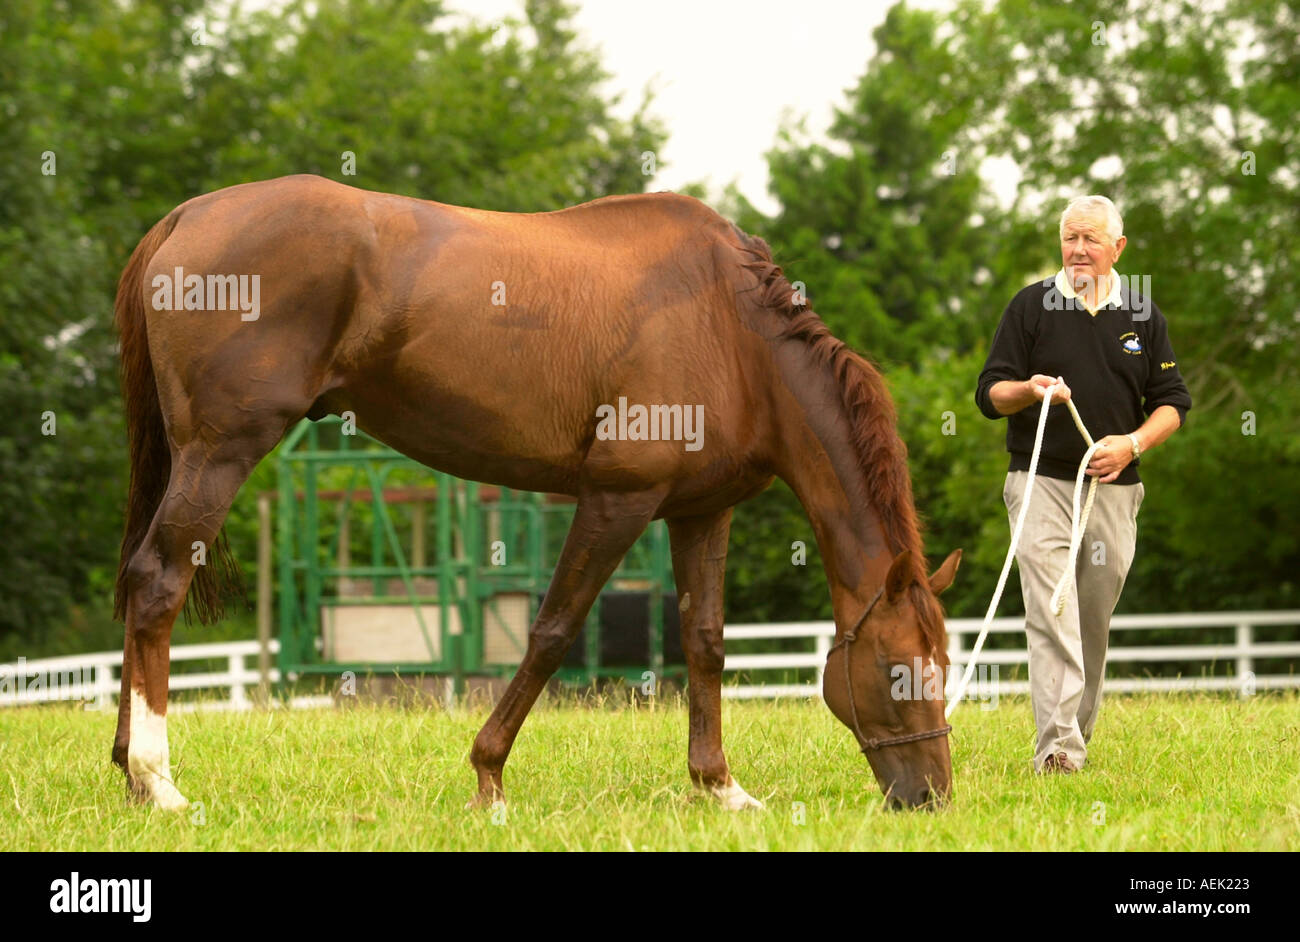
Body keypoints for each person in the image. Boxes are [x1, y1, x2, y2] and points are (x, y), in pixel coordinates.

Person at [974, 195, 1192, 774]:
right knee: (1052, 610)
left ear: (1118, 248)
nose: (1077, 249)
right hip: (1039, 481)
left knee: (1091, 617)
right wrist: (1029, 390)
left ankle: (1075, 733)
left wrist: (1132, 444)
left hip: (1115, 489)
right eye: (1070, 237)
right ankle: (1059, 750)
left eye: (1091, 239)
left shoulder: (1142, 315)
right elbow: (990, 394)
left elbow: (1172, 404)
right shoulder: (1030, 306)